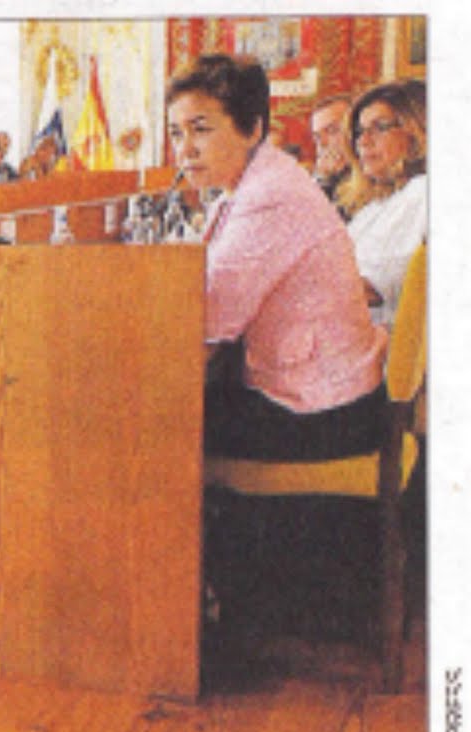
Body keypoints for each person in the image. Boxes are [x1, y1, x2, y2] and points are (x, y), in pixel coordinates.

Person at [165, 54, 386, 463]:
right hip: (334, 393)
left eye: (201, 130)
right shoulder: (254, 184)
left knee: (150, 423)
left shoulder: (269, 196)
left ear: (252, 128)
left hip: (325, 412)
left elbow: (208, 323)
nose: (185, 150)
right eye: (176, 134)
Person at [339, 80, 427, 328]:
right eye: (359, 131)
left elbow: (369, 289)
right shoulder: (376, 206)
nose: (363, 141)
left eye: (380, 127)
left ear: (418, 130)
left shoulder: (422, 192)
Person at [308, 94, 354, 206]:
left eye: (332, 131)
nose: (322, 143)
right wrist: (323, 179)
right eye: (317, 136)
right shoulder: (323, 178)